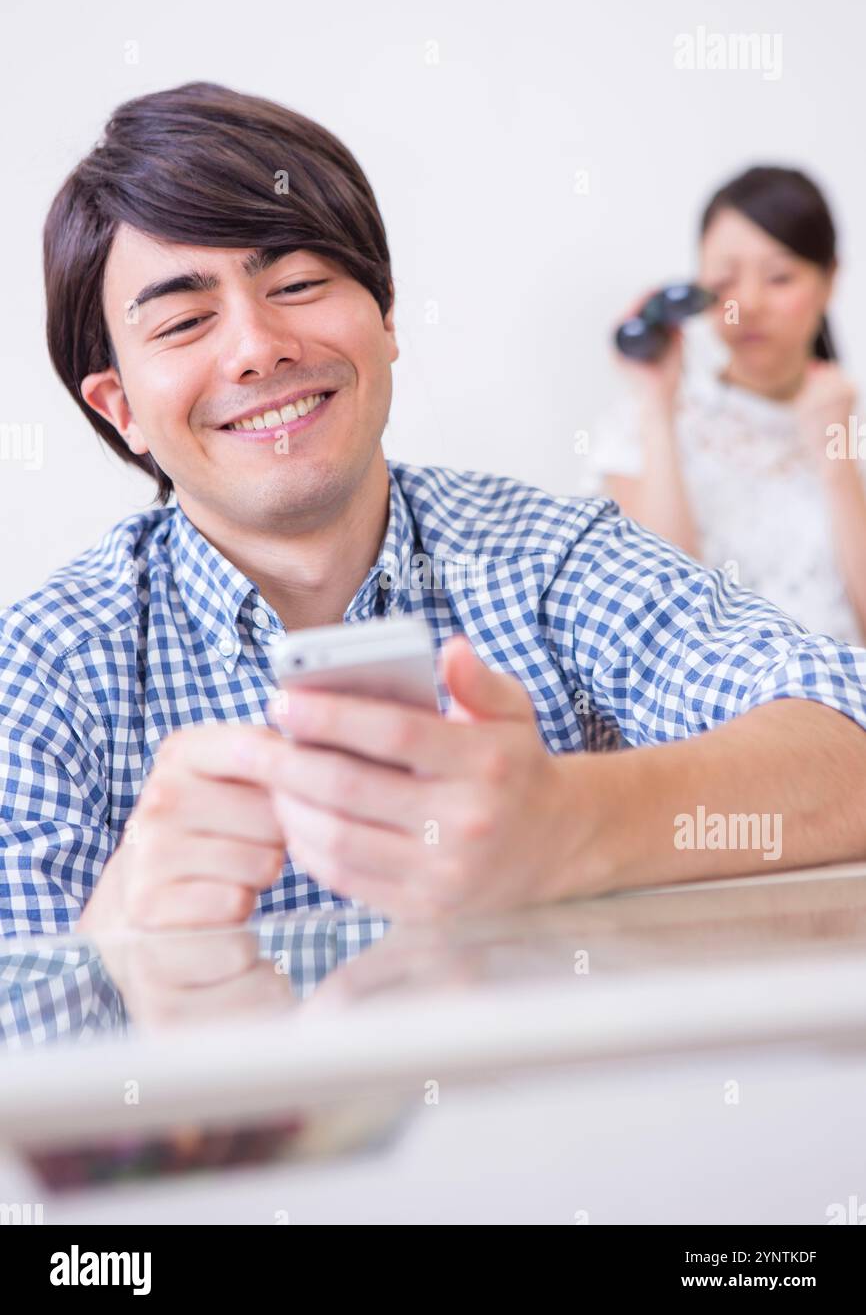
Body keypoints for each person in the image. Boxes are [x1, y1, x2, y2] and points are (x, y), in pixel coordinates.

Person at [1, 84, 866, 939]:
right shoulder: (42, 673)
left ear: (385, 320)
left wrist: (569, 823)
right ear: (119, 407)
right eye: (186, 321)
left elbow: (846, 728)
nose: (258, 347)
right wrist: (110, 942)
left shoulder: (551, 557)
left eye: (298, 282)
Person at [592, 166, 866, 645]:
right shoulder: (647, 419)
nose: (750, 302)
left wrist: (837, 464)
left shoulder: (850, 420)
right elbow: (658, 616)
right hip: (709, 713)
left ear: (829, 279)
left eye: (780, 277)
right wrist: (657, 403)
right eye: (724, 279)